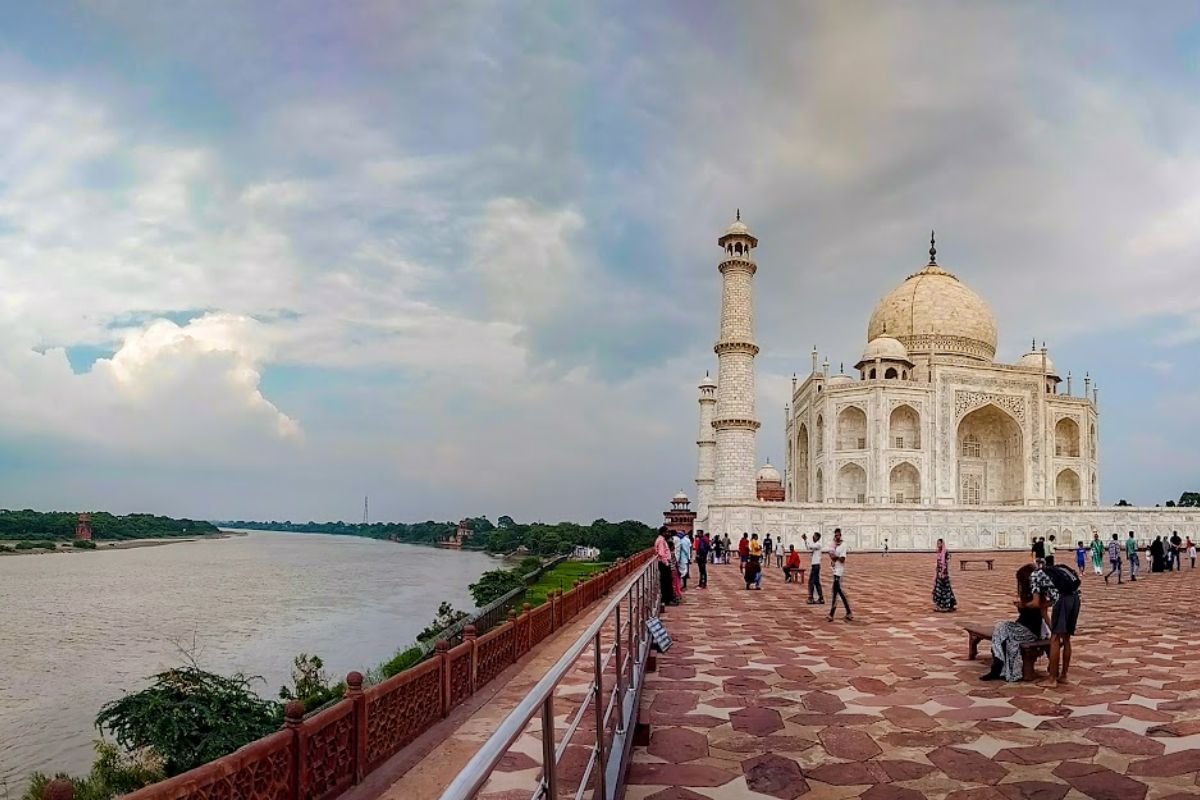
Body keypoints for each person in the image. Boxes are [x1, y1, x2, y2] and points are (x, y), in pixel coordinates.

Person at [981, 564, 1047, 682]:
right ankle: (998, 666)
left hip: (1031, 630)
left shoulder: (1037, 594)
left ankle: (998, 668)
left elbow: (1039, 611)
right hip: (1022, 626)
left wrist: (1023, 605)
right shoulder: (1026, 593)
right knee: (1000, 631)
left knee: (1001, 630)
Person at [1032, 560, 1081, 687]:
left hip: (1063, 600)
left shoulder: (1034, 576)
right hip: (1075, 599)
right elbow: (1051, 600)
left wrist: (1022, 604)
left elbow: (1036, 603)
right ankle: (1063, 675)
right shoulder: (1055, 571)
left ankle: (1052, 678)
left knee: (1054, 639)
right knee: (1066, 638)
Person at [827, 528, 851, 621]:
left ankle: (831, 614)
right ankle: (848, 612)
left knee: (836, 592)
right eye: (835, 535)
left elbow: (842, 559)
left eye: (838, 535)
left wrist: (835, 557)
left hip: (839, 572)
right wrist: (833, 557)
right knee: (838, 592)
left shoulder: (843, 545)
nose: (837, 537)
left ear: (840, 535)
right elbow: (832, 556)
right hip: (835, 570)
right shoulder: (835, 546)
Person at [654, 527, 677, 606]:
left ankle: (667, 599)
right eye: (667, 532)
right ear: (663, 532)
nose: (669, 534)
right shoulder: (661, 540)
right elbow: (661, 553)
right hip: (664, 563)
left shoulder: (661, 539)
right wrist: (666, 563)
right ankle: (667, 600)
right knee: (666, 582)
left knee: (667, 581)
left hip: (663, 563)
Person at [933, 538, 957, 612]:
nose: (938, 545)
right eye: (937, 543)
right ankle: (939, 605)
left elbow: (946, 562)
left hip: (944, 573)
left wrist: (943, 572)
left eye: (939, 543)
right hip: (939, 572)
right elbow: (939, 562)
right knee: (938, 589)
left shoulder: (945, 552)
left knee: (945, 589)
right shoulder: (939, 552)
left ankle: (947, 605)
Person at [805, 532, 824, 604]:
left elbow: (810, 547)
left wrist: (806, 540)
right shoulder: (815, 545)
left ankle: (811, 598)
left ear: (817, 537)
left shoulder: (818, 544)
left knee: (811, 581)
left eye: (814, 536)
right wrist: (805, 540)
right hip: (815, 565)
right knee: (816, 582)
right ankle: (821, 598)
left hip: (816, 565)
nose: (813, 537)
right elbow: (808, 548)